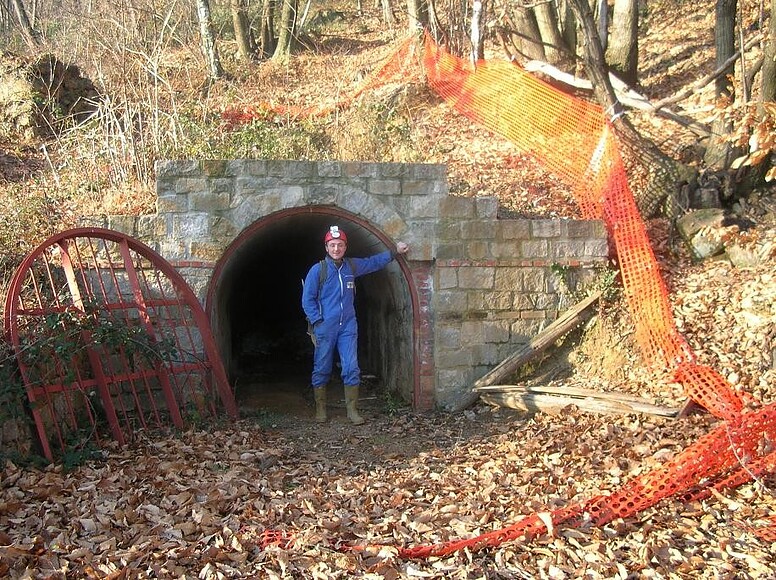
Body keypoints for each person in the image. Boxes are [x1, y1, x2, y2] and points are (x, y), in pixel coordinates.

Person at [302, 225, 409, 424]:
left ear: (345, 247)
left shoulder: (351, 267)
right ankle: (321, 409)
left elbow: (373, 262)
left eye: (340, 245)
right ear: (326, 247)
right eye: (332, 245)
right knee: (322, 366)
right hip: (325, 326)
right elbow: (307, 299)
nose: (336, 249)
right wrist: (317, 321)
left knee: (351, 366)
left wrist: (394, 252)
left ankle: (352, 411)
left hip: (348, 326)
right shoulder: (318, 270)